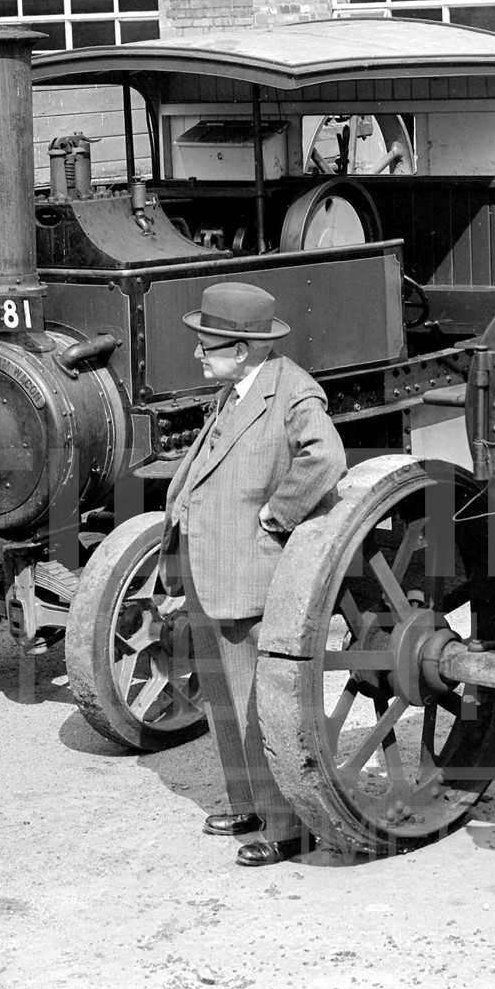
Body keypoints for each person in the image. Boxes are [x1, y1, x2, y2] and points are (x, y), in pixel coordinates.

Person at [162, 280, 345, 866]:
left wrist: (279, 512)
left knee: (255, 703)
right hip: (213, 567)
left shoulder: (292, 393)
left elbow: (327, 457)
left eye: (206, 344)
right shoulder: (239, 387)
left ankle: (286, 826)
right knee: (222, 696)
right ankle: (247, 803)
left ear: (242, 349)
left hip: (248, 570)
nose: (197, 353)